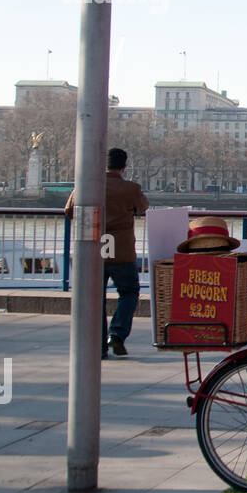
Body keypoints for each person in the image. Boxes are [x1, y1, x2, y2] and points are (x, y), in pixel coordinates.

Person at [64, 148, 149, 359]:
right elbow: (143, 208)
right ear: (124, 166)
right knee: (129, 292)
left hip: (93, 249)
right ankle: (117, 333)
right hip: (121, 250)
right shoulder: (130, 188)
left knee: (95, 298)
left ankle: (98, 346)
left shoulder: (86, 186)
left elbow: (69, 211)